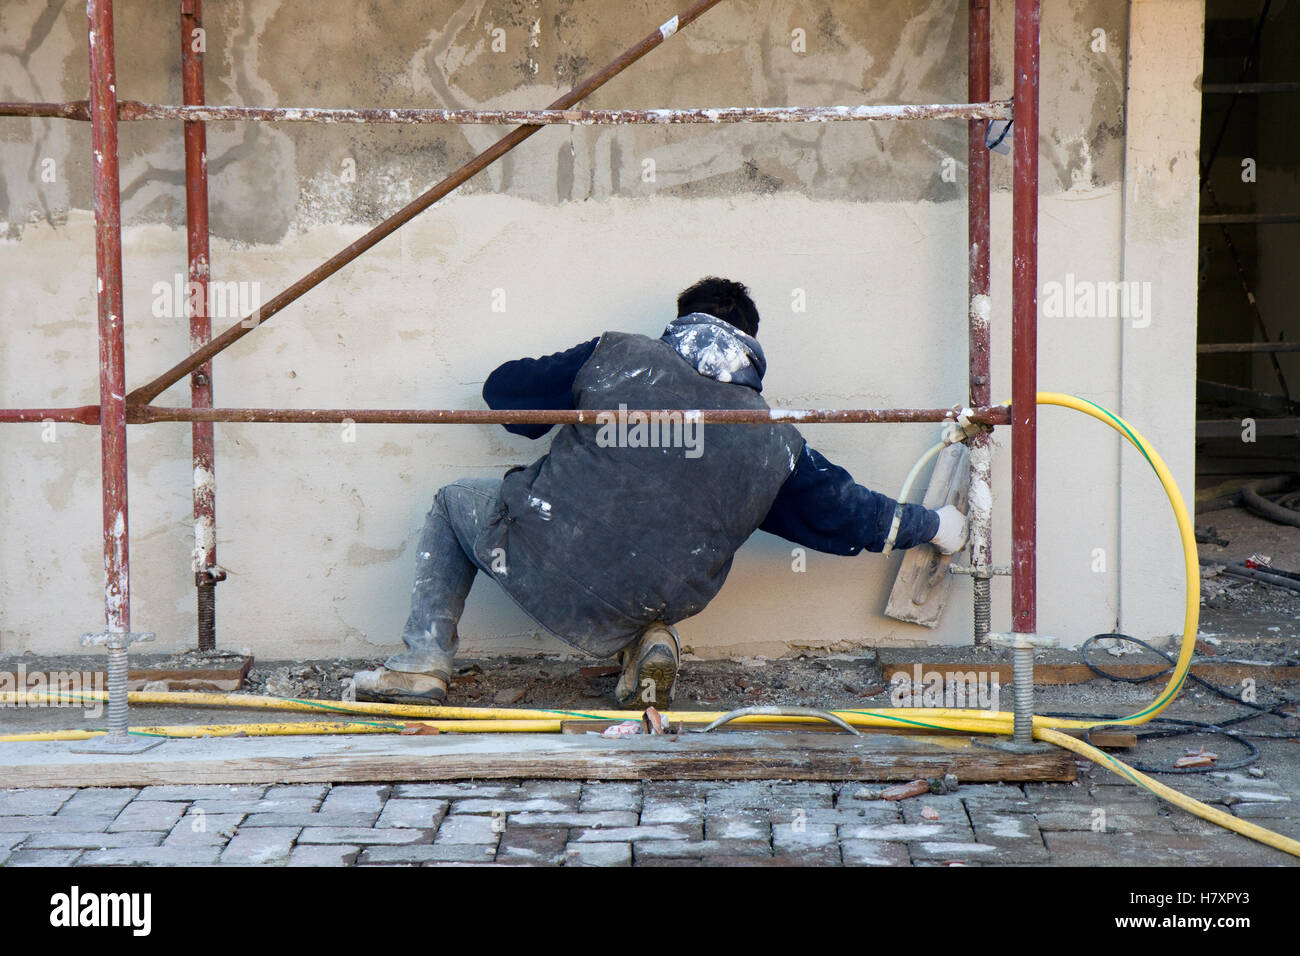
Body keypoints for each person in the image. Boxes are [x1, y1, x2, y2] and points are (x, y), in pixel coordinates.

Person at [354, 277, 967, 707]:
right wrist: (937, 524)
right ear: (751, 347)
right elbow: (849, 517)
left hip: (537, 559)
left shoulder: (619, 356)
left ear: (679, 325)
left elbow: (504, 397)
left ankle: (422, 664)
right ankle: (651, 642)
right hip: (638, 603)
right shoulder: (771, 439)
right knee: (661, 579)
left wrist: (584, 383)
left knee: (449, 502)